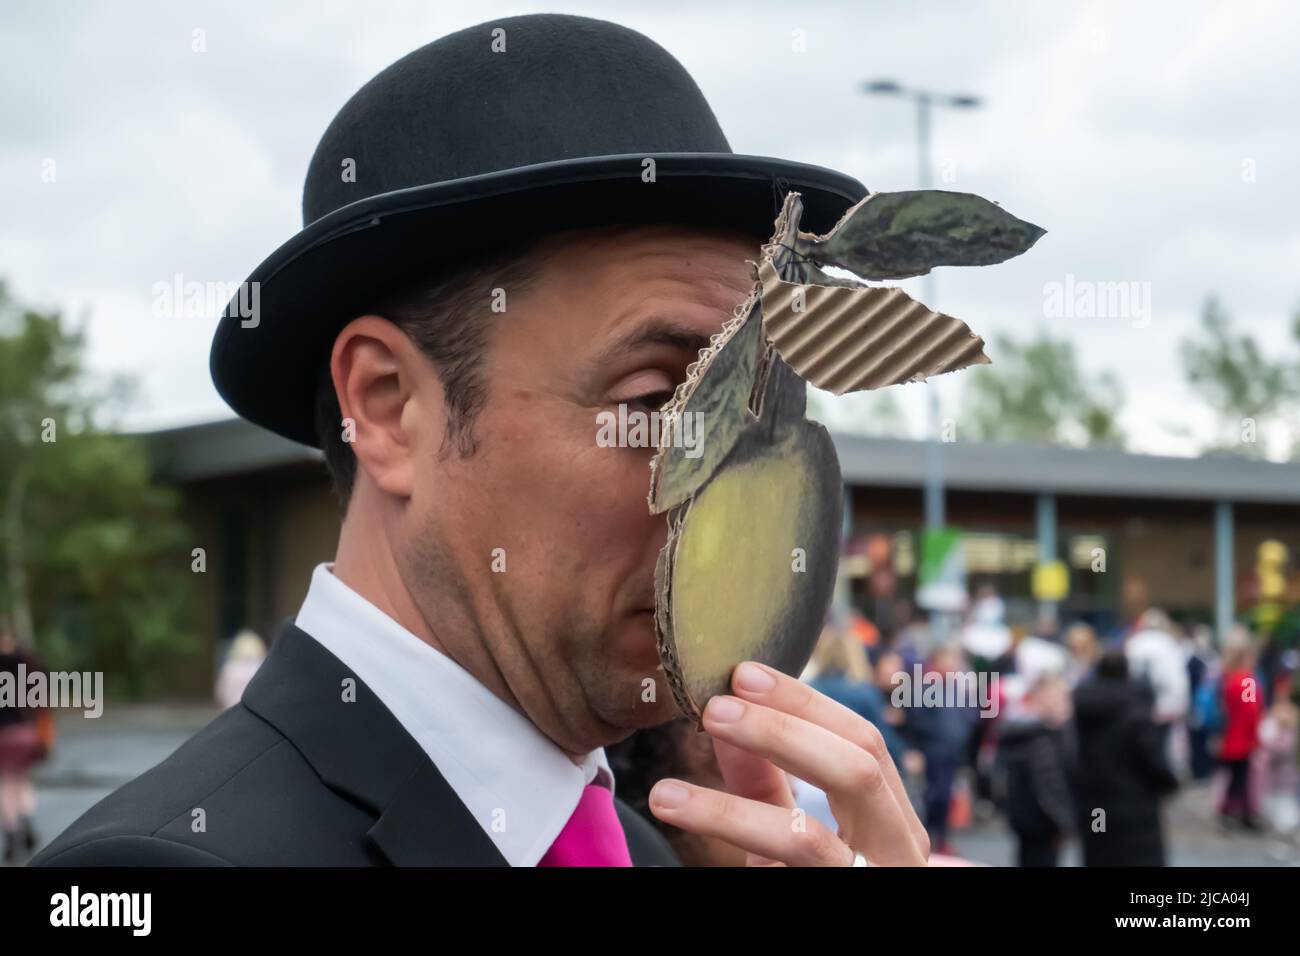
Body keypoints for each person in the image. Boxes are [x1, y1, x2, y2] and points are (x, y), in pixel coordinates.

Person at [33, 15, 927, 868]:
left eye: (758, 415)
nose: (732, 497)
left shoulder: (649, 846)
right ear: (387, 409)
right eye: (661, 399)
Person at [1070, 650, 1178, 866]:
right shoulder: (1135, 709)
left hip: (1094, 803)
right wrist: (1168, 783)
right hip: (1134, 805)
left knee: (1099, 856)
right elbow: (1152, 757)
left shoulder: (1080, 707)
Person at [1000, 675, 1073, 867]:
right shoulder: (1041, 738)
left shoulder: (1023, 732)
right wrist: (1063, 822)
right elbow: (1048, 785)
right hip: (1042, 821)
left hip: (1027, 819)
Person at [0, 621, 45, 863]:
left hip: (2, 735)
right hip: (24, 732)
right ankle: (27, 822)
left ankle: (12, 836)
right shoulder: (25, 663)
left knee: (7, 784)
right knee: (22, 780)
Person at [1218, 628, 1262, 830]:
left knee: (1235, 777)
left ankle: (1231, 812)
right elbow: (1251, 712)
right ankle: (1241, 814)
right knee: (1242, 778)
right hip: (1244, 738)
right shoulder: (1246, 680)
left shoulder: (1229, 678)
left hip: (1230, 735)